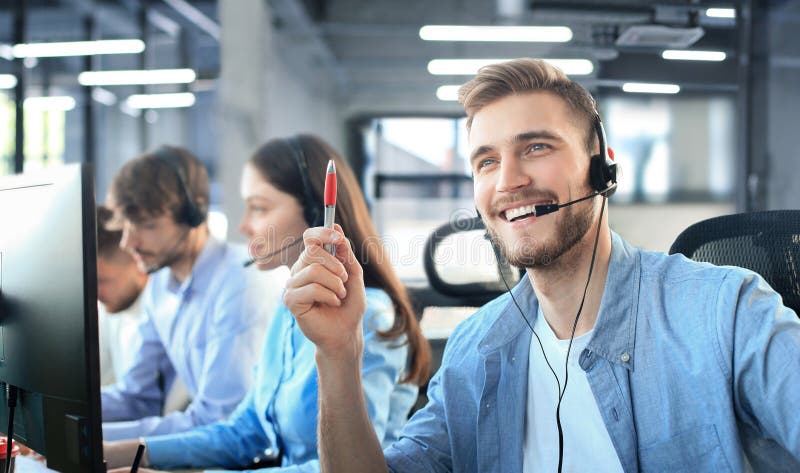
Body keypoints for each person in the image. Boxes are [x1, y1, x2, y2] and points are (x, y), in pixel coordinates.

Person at [284, 59, 800, 472]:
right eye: (487, 161)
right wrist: (338, 352)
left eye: (535, 147)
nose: (507, 181)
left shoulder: (726, 313)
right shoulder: (473, 352)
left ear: (601, 164)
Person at [104, 135, 431, 472]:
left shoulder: (366, 317)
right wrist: (129, 452)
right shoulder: (289, 309)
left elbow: (351, 466)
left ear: (315, 213)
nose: (244, 225)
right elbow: (245, 432)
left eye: (259, 208)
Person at [102, 146, 273, 441]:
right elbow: (138, 398)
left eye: (147, 225)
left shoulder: (238, 284)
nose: (128, 242)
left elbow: (217, 421)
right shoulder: (159, 286)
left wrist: (91, 438)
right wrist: (62, 411)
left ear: (195, 213)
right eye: (126, 226)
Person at [96, 205, 149, 386]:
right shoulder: (110, 309)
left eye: (102, 281)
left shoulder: (160, 318)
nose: (96, 295)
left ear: (137, 262)